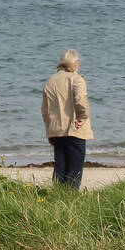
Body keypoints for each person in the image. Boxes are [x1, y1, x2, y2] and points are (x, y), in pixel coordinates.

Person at [41, 49, 93, 189]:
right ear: (76, 63)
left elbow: (45, 110)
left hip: (56, 130)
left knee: (60, 167)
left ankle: (58, 196)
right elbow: (80, 100)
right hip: (74, 128)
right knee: (74, 168)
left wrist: (49, 131)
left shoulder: (50, 81)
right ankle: (71, 198)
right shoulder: (77, 79)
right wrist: (82, 117)